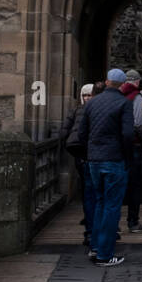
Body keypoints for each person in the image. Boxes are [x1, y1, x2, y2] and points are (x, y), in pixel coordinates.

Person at [76, 68, 135, 267]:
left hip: (94, 160)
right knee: (111, 207)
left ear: (107, 81)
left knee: (99, 203)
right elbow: (128, 135)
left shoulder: (92, 103)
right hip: (114, 159)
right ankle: (105, 254)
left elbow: (82, 133)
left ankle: (95, 246)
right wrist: (128, 157)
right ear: (123, 84)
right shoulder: (123, 104)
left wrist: (90, 151)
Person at [62, 83, 95, 247]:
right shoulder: (86, 111)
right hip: (90, 156)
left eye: (90, 95)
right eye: (85, 95)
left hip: (83, 156)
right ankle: (94, 229)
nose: (88, 98)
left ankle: (90, 229)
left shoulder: (76, 111)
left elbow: (65, 131)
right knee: (94, 192)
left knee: (89, 192)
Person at [119, 69, 142, 233]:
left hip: (118, 145)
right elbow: (137, 122)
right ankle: (133, 221)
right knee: (135, 184)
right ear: (137, 81)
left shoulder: (118, 94)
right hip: (134, 144)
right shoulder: (136, 96)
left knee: (118, 184)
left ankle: (114, 225)